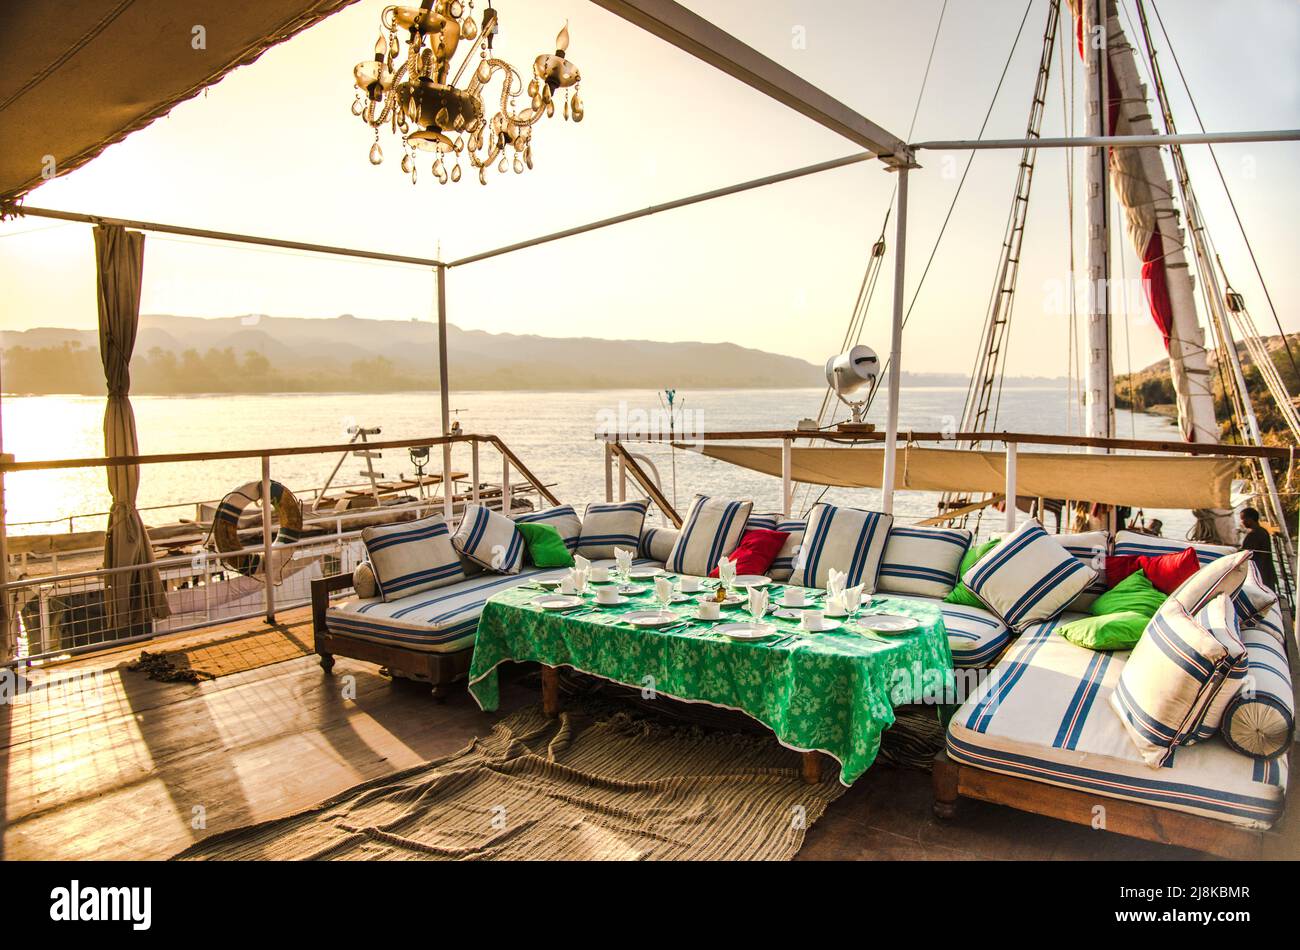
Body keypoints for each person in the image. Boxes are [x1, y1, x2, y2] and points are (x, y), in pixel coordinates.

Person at [1239, 507, 1278, 593]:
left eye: (1243, 519)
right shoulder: (1263, 531)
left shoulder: (1253, 535)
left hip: (1258, 573)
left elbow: (1243, 554)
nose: (1242, 522)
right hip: (1266, 572)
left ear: (1250, 519)